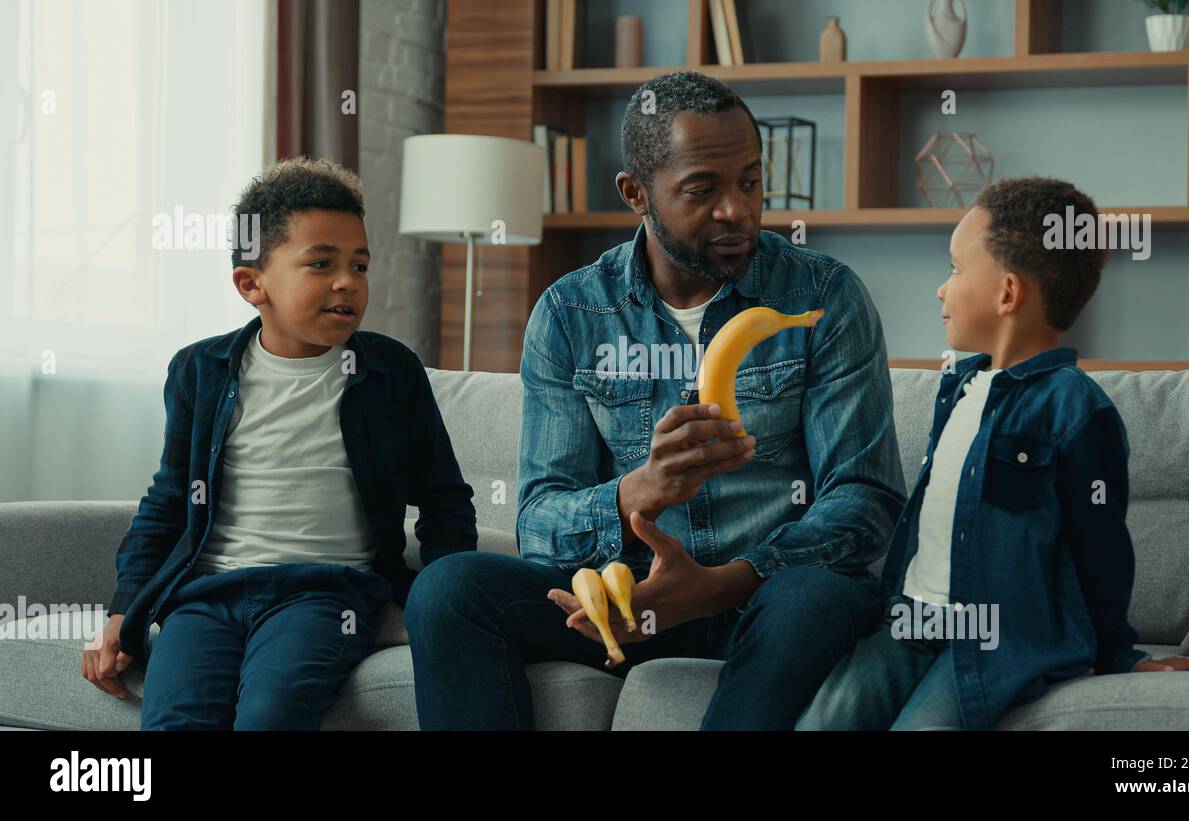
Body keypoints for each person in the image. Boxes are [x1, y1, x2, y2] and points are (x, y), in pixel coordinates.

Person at [403, 70, 908, 730]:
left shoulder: (823, 298)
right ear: (636, 192)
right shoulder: (570, 313)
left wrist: (727, 581)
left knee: (815, 596)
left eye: (750, 181)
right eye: (704, 189)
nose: (737, 209)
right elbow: (540, 521)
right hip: (632, 602)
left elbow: (866, 499)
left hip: (769, 594)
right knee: (448, 590)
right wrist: (635, 491)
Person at [796, 176, 1189, 731]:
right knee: (824, 723)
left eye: (955, 269)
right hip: (910, 622)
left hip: (999, 637)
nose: (941, 289)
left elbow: (1102, 545)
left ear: (1008, 293)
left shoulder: (1075, 409)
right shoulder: (957, 389)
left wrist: (1119, 654)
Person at [82, 157, 477, 729]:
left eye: (360, 265)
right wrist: (124, 608)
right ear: (252, 284)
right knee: (174, 720)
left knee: (270, 715)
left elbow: (444, 499)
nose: (348, 282)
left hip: (323, 594)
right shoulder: (201, 370)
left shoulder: (391, 372)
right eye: (321, 264)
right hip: (205, 595)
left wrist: (443, 602)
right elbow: (168, 501)